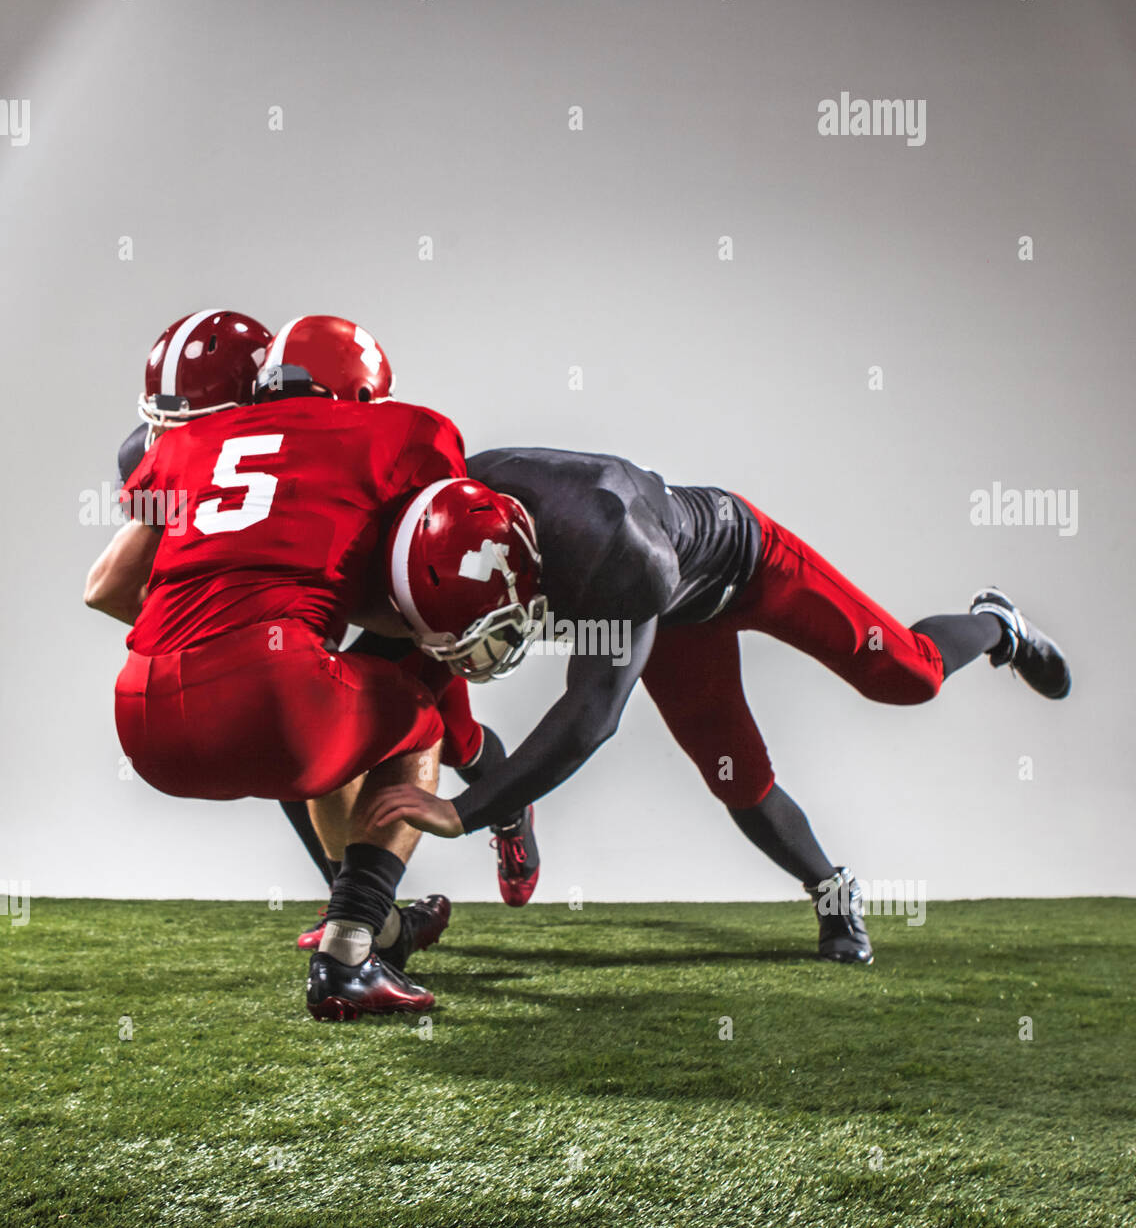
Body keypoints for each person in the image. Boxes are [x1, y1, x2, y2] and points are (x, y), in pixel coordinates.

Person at [363, 448, 1071, 966]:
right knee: (734, 774)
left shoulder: (616, 550)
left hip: (742, 565)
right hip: (665, 608)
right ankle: (832, 891)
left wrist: (464, 812)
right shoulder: (450, 515)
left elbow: (591, 717)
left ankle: (996, 623)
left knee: (906, 676)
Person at [87, 312, 477, 1018]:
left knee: (334, 718)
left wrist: (200, 634)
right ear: (362, 393)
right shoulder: (408, 429)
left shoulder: (191, 439)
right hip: (275, 699)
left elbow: (105, 590)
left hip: (142, 712)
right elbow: (426, 564)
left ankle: (373, 921)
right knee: (415, 720)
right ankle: (348, 954)